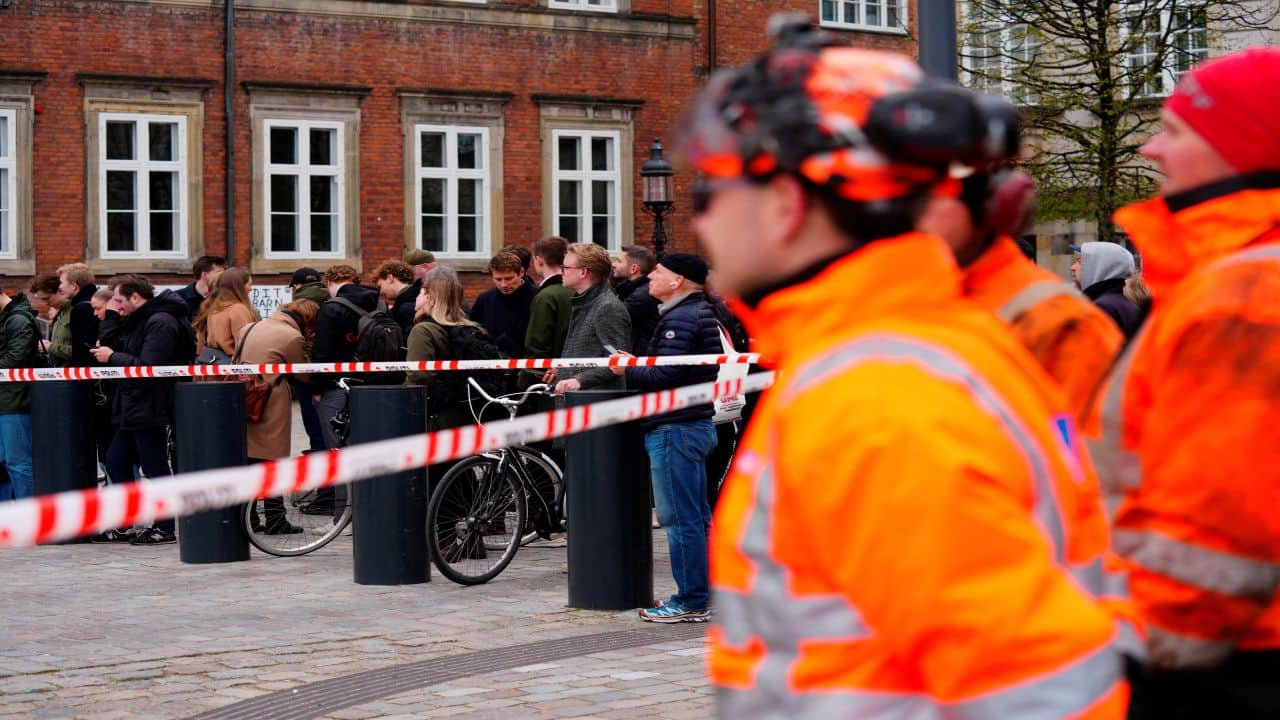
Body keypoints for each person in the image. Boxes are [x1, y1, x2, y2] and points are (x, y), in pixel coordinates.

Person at [682, 17, 1127, 716]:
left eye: (711, 189)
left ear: (787, 205)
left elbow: (1036, 689)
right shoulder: (918, 347)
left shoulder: (874, 400)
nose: (700, 221)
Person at [1089, 47, 1280, 718]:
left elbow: (1216, 534)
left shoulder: (1244, 298)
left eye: (1174, 130)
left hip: (1222, 661)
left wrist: (1144, 671)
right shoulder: (1237, 279)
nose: (1151, 149)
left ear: (1239, 149)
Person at [917, 171, 1124, 423]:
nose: (908, 212)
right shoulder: (905, 295)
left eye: (930, 197)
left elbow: (1087, 439)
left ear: (988, 204)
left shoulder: (1061, 322)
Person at [609, 253, 722, 622]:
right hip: (691, 424)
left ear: (678, 281)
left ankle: (691, 600)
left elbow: (665, 377)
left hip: (676, 426)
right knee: (697, 517)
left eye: (658, 273)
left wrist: (629, 368)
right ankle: (702, 592)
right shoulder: (692, 313)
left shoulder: (681, 318)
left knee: (680, 519)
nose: (650, 278)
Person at [90, 275, 196, 544]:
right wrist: (111, 318)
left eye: (118, 300)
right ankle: (127, 521)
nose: (115, 305)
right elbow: (116, 342)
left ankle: (164, 526)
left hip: (152, 403)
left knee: (154, 465)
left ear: (135, 297)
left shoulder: (160, 321)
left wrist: (112, 357)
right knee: (116, 461)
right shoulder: (140, 318)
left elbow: (149, 366)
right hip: (134, 403)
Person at [235, 299, 319, 535]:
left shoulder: (249, 327)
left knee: (250, 458)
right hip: (270, 401)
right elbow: (304, 374)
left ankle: (249, 517)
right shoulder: (291, 337)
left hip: (245, 397)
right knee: (273, 458)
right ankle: (275, 518)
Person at [404, 266, 482, 432]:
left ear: (429, 297)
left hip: (435, 418)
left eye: (419, 293)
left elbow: (418, 377)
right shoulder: (471, 328)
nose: (416, 298)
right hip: (466, 414)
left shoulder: (422, 331)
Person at [546, 243, 630, 395]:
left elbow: (618, 362)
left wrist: (579, 380)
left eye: (565, 268)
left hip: (596, 402)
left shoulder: (607, 307)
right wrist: (563, 370)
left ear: (583, 272)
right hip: (581, 399)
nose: (561, 272)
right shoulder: (584, 302)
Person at [310, 265, 379, 449]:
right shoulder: (377, 303)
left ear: (329, 282)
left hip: (336, 385)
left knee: (336, 441)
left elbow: (321, 351)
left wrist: (316, 388)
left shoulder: (331, 308)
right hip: (372, 384)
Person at [0, 285, 37, 501]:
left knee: (18, 463)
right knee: (6, 463)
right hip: (6, 400)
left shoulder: (18, 320)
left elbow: (15, 359)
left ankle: (29, 513)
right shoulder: (8, 319)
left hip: (15, 401)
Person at [469, 251, 535, 359]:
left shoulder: (537, 297)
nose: (503, 285)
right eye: (498, 279)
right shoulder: (485, 300)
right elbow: (474, 333)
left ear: (521, 272)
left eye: (509, 279)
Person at [1071, 242, 1143, 339]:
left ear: (1101, 266)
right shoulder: (1119, 302)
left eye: (1080, 262)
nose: (1072, 268)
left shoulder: (1105, 307)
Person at [525, 236, 574, 367]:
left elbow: (537, 344)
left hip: (547, 372)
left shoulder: (546, 296)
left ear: (539, 260)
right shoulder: (578, 290)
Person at [194, 267, 258, 360]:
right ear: (239, 287)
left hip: (210, 362)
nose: (251, 289)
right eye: (249, 284)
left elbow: (200, 345)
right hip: (232, 365)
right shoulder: (238, 309)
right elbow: (245, 346)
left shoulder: (212, 308)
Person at [612, 244, 661, 354]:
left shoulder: (641, 296)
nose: (613, 264)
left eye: (619, 261)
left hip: (640, 355)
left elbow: (613, 317)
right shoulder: (631, 289)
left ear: (634, 269)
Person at [56, 263, 101, 369]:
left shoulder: (81, 310)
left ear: (74, 286)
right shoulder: (96, 302)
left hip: (86, 372)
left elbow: (80, 350)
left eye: (61, 282)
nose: (59, 287)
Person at [29, 274, 67, 364]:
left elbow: (81, 350)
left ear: (60, 291)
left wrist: (50, 347)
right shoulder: (60, 312)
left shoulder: (75, 311)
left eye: (47, 298)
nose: (46, 303)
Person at [373, 260, 418, 333]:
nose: (380, 292)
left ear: (390, 278)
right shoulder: (414, 298)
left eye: (380, 286)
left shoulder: (405, 308)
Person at [176, 255, 227, 319]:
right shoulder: (178, 298)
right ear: (205, 275)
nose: (223, 276)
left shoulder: (224, 297)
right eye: (219, 272)